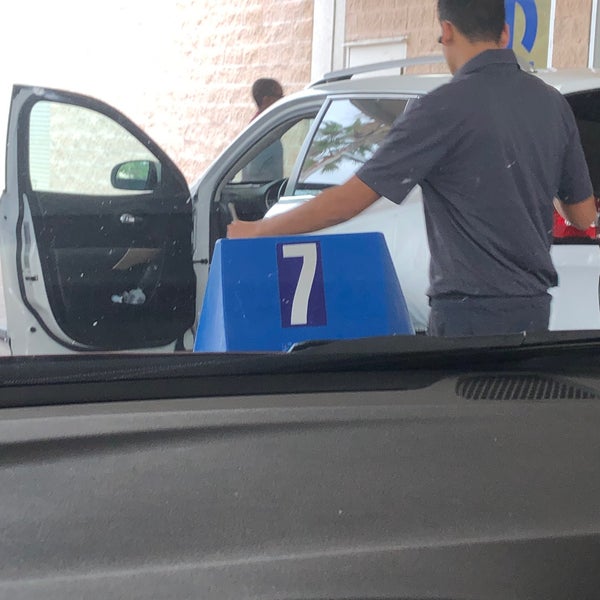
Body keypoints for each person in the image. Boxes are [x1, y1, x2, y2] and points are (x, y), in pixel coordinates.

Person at [228, 0, 597, 337]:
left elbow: (350, 200)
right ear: (504, 33)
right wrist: (537, 175)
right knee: (517, 393)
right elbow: (582, 216)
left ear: (447, 31)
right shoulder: (553, 104)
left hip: (467, 318)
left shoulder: (440, 108)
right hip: (534, 311)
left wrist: (259, 230)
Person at [242, 78, 284, 181]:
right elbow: (252, 170)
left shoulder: (268, 126)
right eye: (280, 97)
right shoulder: (260, 132)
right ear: (266, 100)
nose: (282, 101)